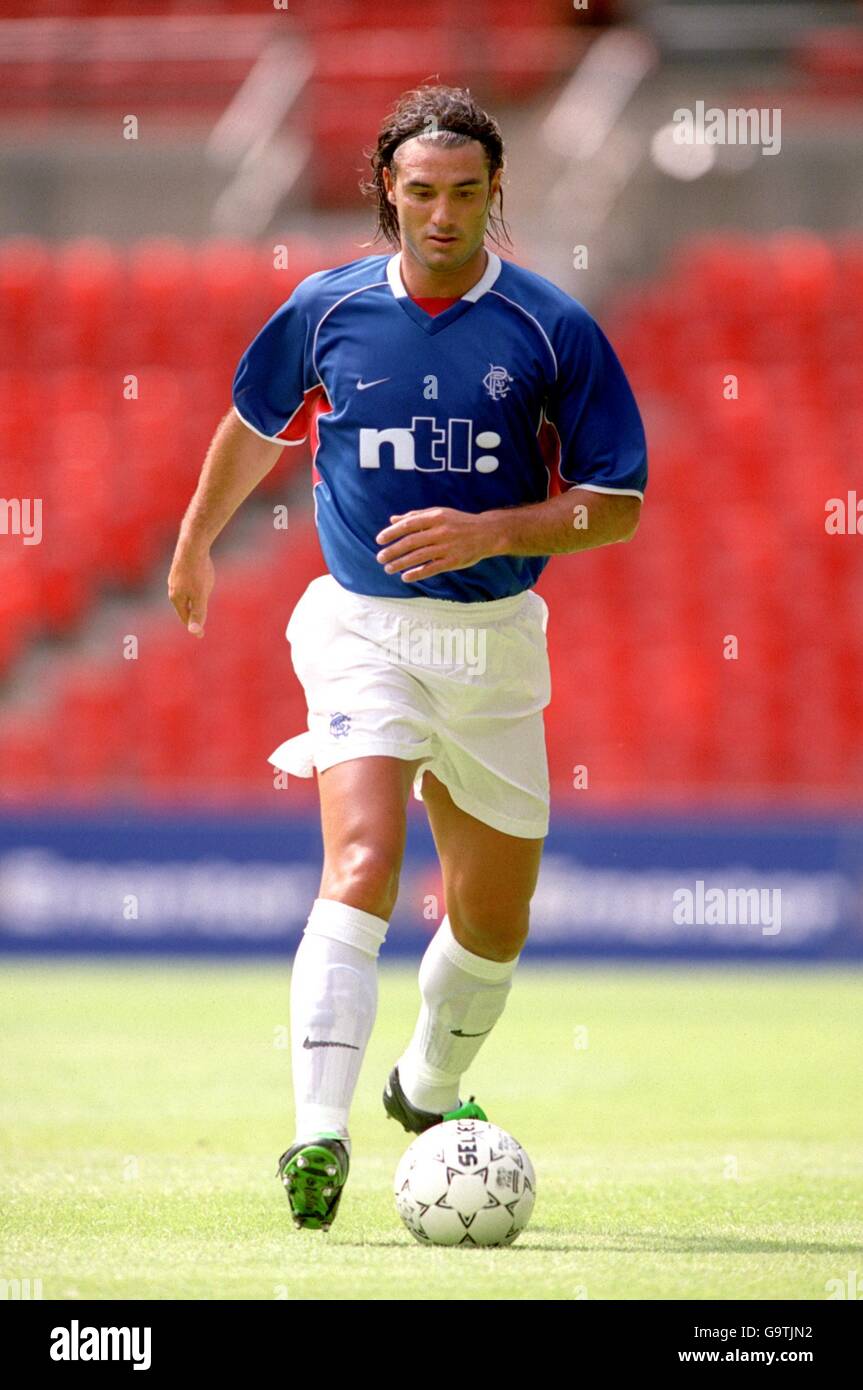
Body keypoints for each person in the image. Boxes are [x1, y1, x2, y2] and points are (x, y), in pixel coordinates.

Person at [167, 83, 647, 1233]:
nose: (441, 214)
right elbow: (254, 423)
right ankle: (315, 1135)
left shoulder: (548, 328)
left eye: (465, 193)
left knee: (492, 922)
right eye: (420, 191)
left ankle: (420, 1090)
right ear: (386, 189)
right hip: (360, 629)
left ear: (494, 195)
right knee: (364, 860)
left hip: (491, 646)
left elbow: (614, 505)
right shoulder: (326, 308)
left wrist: (494, 530)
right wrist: (193, 540)